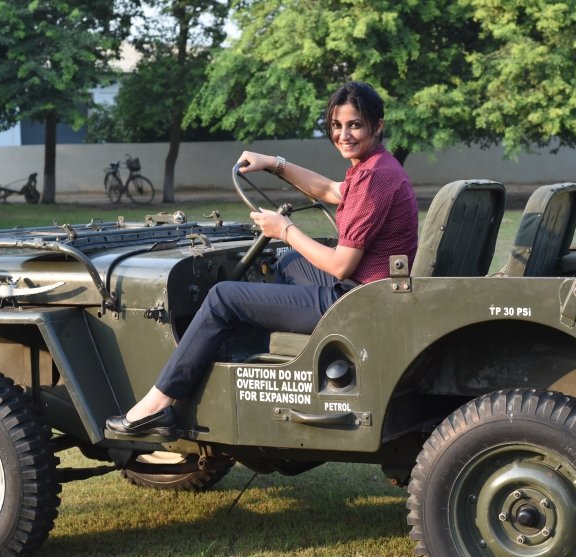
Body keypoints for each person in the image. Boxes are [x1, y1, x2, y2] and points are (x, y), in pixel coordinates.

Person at [106, 81, 418, 437]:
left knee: (224, 296)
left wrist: (284, 229)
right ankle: (255, 363)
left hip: (353, 299)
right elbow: (332, 191)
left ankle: (157, 405)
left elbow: (340, 266)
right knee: (286, 263)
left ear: (377, 125)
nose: (344, 135)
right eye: (336, 125)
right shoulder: (376, 167)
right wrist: (273, 164)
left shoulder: (375, 178)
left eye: (355, 125)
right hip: (366, 290)